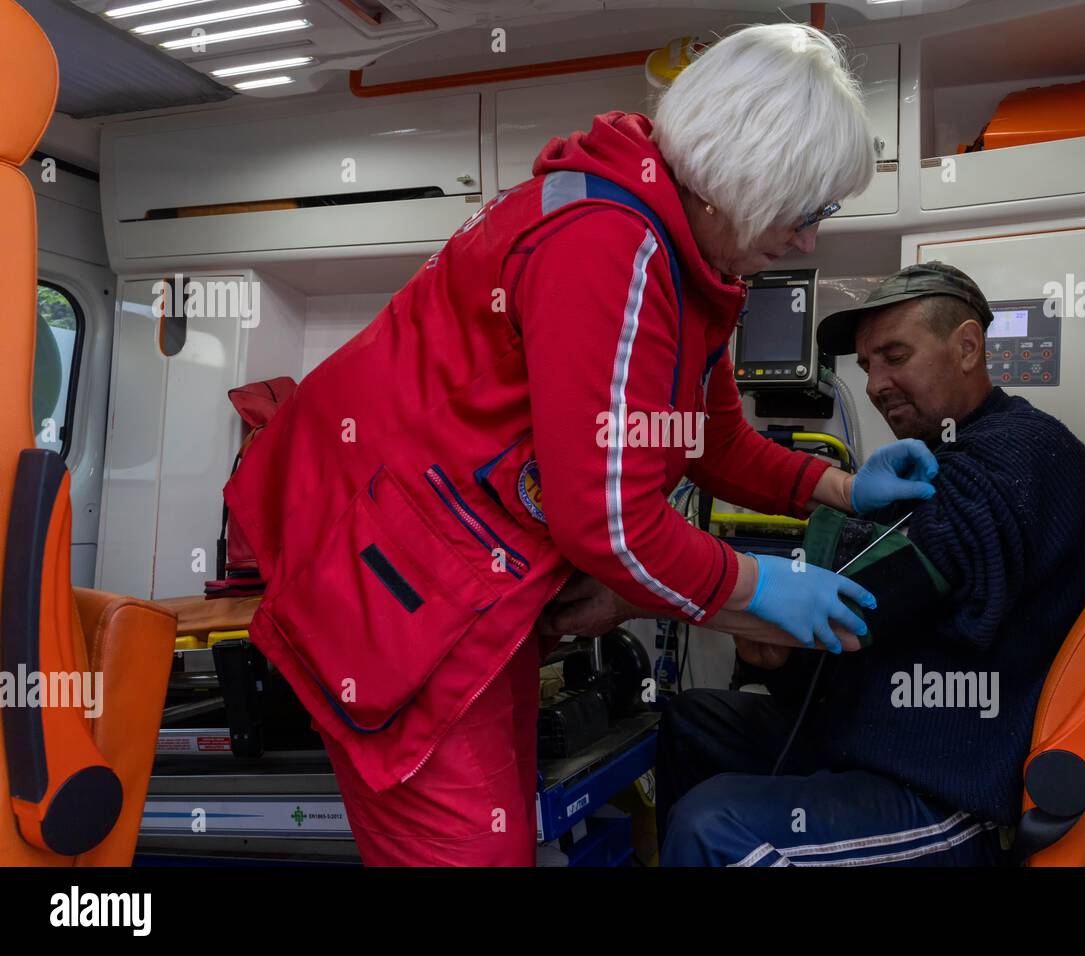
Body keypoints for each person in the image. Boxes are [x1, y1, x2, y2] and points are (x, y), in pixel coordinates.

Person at [223, 23, 936, 866]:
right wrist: (756, 584)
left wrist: (840, 491)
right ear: (747, 180)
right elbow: (611, 523)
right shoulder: (610, 242)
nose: (810, 238)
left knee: (505, 833)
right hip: (397, 588)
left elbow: (707, 439)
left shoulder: (689, 267)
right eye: (806, 211)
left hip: (475, 588)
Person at [649, 262, 1085, 866]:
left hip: (950, 781)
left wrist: (683, 588)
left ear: (968, 346)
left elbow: (870, 596)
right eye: (868, 364)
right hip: (877, 736)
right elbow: (878, 624)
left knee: (711, 825)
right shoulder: (943, 455)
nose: (875, 383)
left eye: (895, 356)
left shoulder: (1027, 452)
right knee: (695, 720)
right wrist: (776, 649)